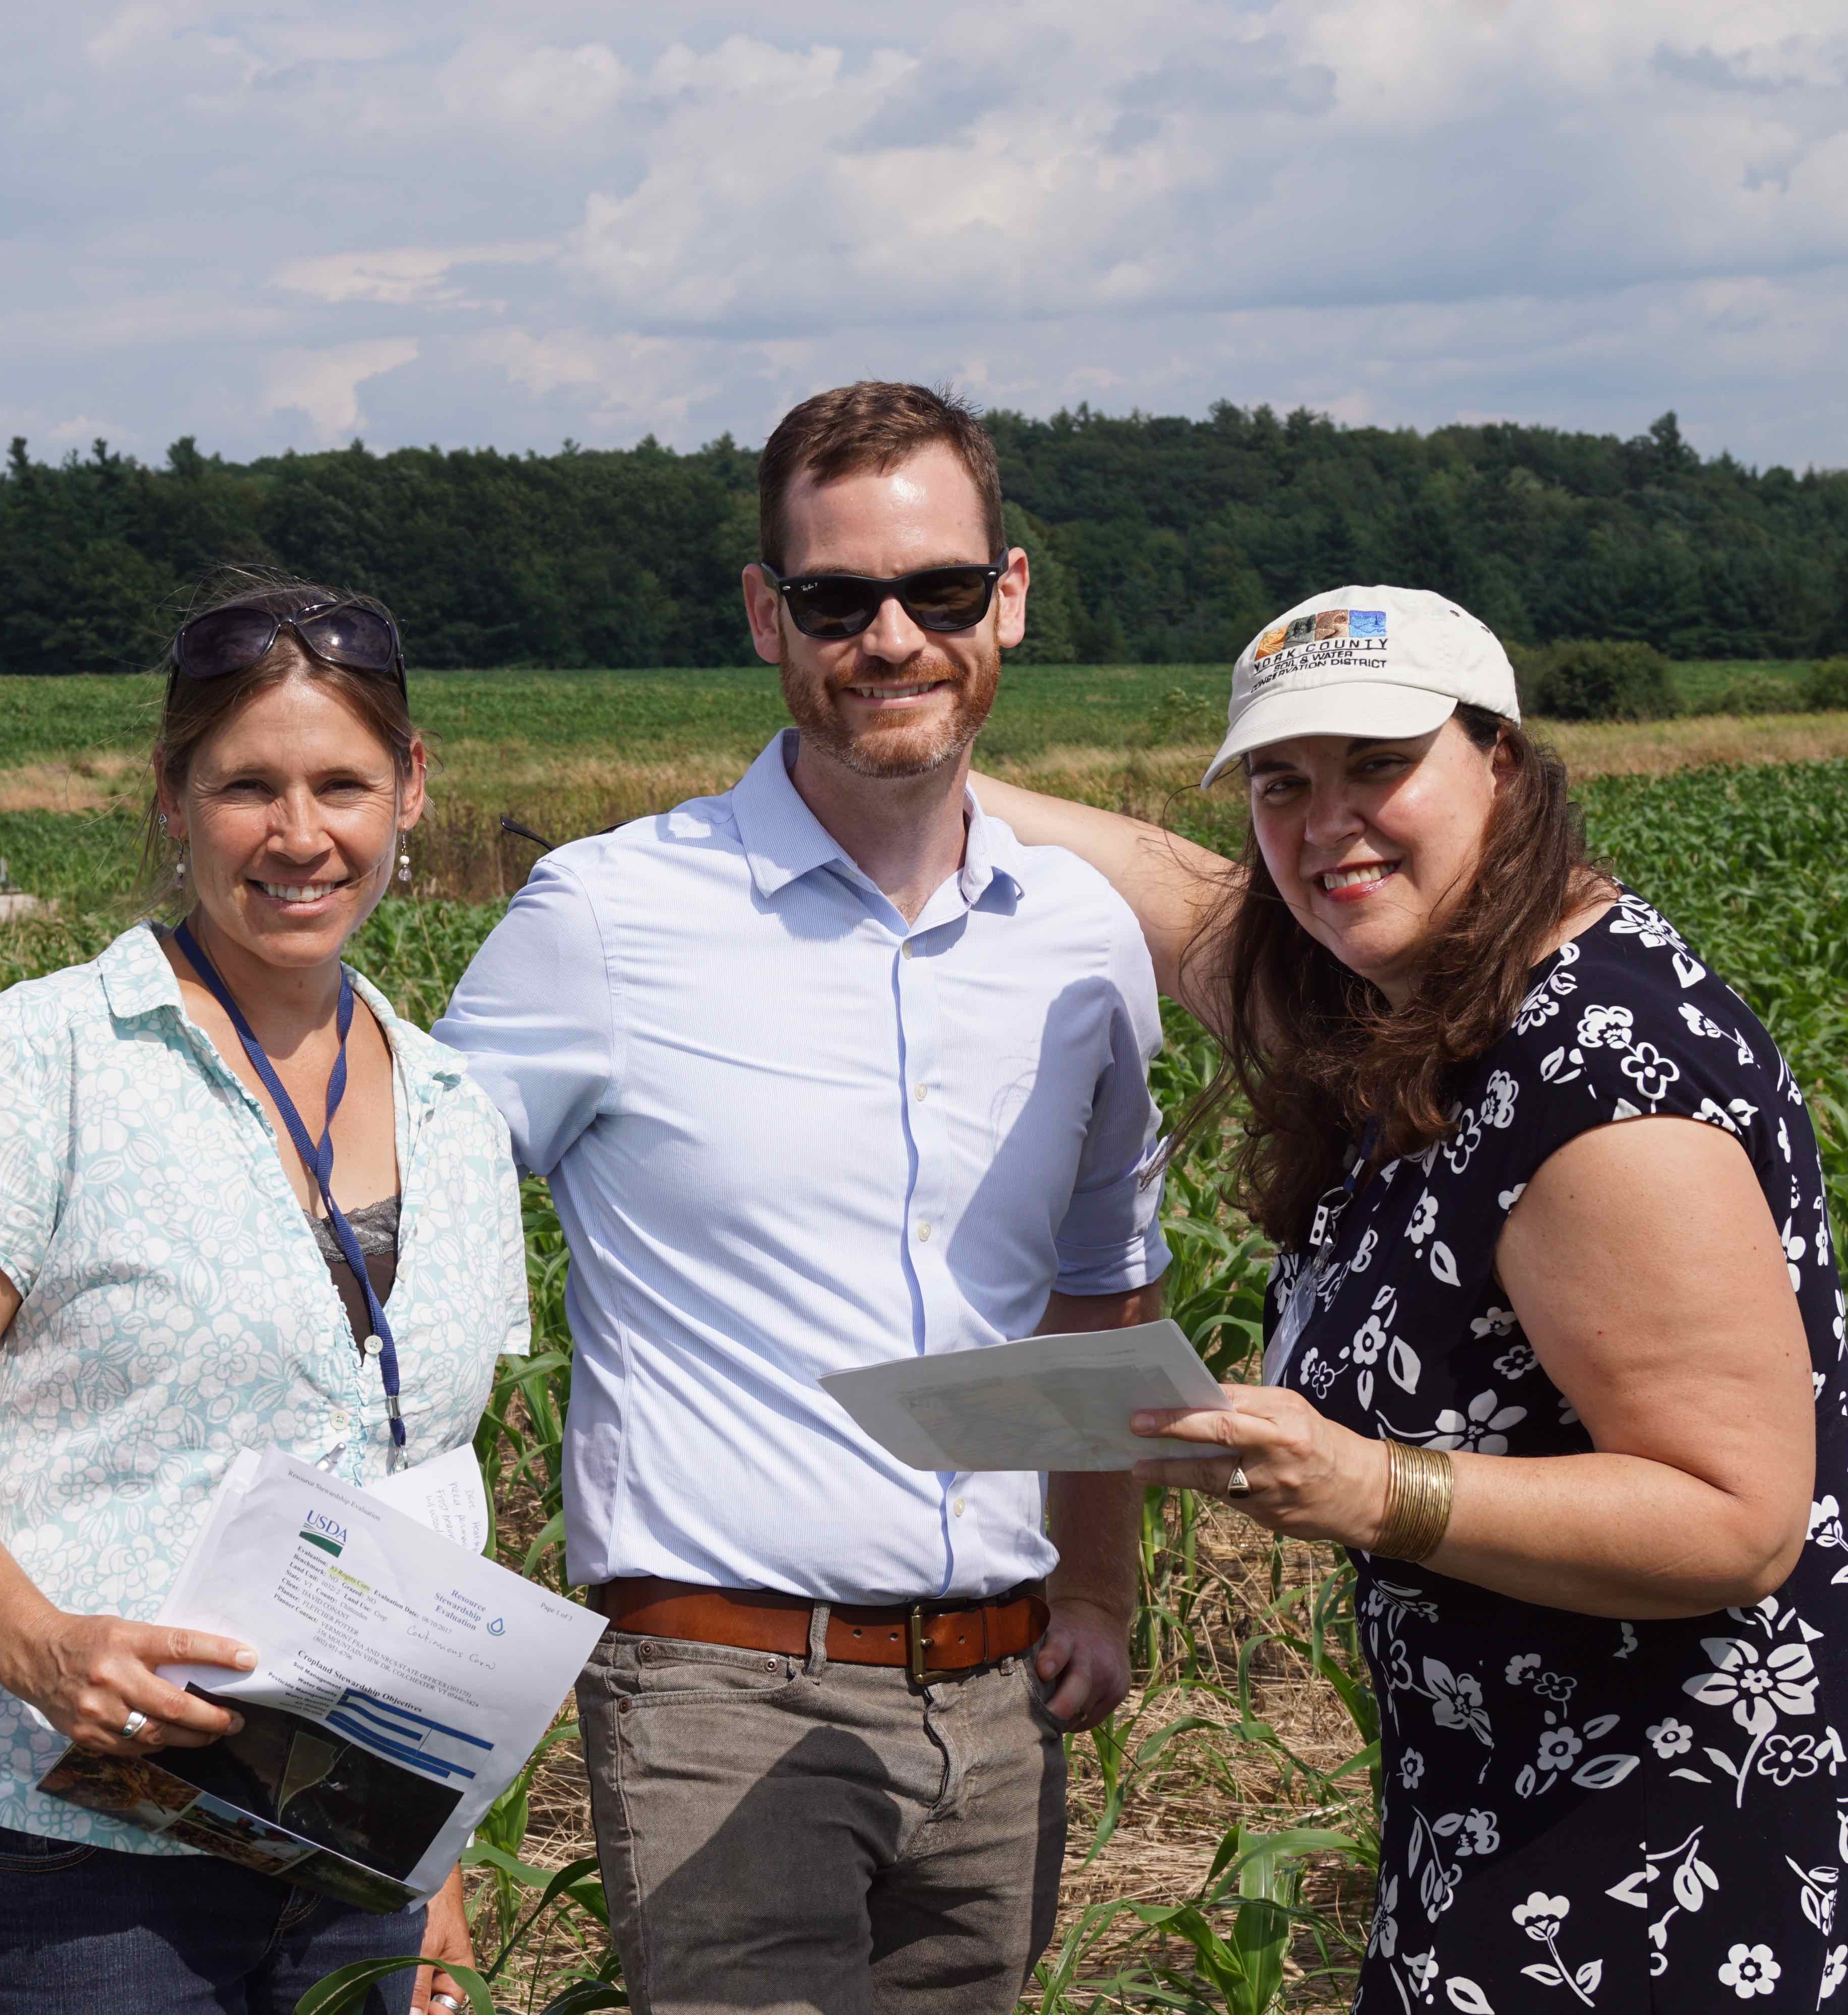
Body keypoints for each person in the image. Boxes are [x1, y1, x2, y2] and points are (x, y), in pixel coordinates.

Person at [974, 584, 1848, 2011]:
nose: (1328, 825)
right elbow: (1177, 896)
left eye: (1379, 765)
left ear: (1500, 759)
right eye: (1280, 782)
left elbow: (1736, 1520)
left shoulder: (1598, 1085)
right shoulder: (1423, 1005)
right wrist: (910, 763)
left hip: (1705, 1774)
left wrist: (1369, 1488)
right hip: (1531, 1751)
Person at [434, 382, 1168, 2015]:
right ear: (769, 617)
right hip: (723, 1693)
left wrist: (1099, 1587)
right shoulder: (605, 920)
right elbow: (399, 1268)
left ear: (1011, 598)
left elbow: (1103, 1284)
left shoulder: (1082, 939)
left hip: (1004, 1705)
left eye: (941, 592)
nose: (893, 639)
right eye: (839, 601)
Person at [0, 579, 532, 2015]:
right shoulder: (40, 1062)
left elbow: (422, 1476)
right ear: (172, 798)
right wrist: (44, 1649)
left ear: (410, 789)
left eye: (342, 785)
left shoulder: (456, 1107)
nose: (300, 835)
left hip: (353, 1842)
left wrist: (436, 1861)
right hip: (78, 1843)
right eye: (247, 787)